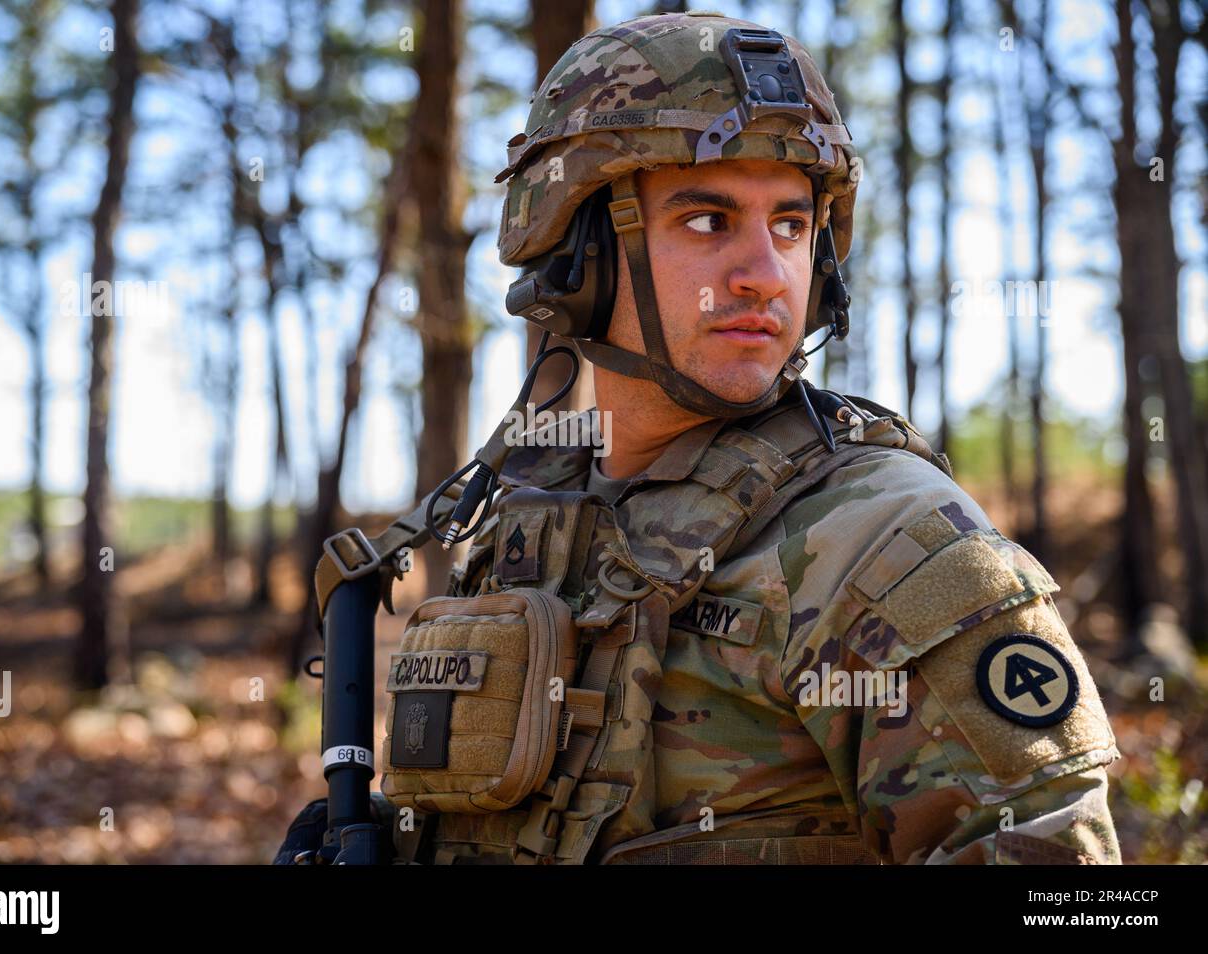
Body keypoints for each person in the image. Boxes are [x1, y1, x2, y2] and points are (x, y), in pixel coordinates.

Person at [277, 10, 1121, 865]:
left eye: (792, 225)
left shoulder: (883, 542)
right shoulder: (522, 521)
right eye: (709, 221)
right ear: (579, 253)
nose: (765, 274)